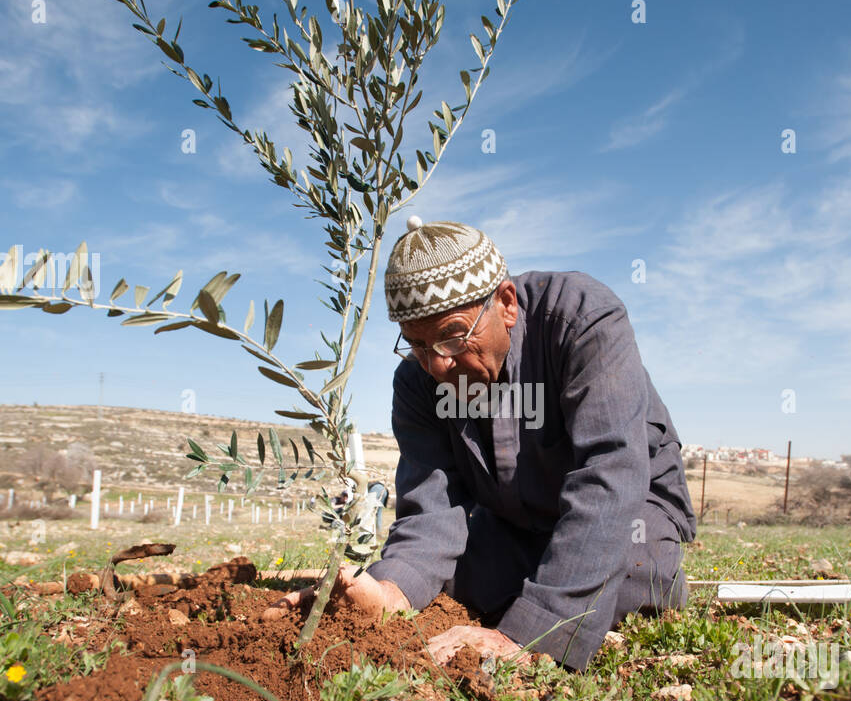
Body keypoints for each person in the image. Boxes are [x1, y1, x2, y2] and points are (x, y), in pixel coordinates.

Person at [273, 218, 696, 671]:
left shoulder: (583, 320)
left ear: (506, 304)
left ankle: (580, 591)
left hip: (632, 509)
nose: (436, 365)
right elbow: (433, 513)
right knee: (451, 579)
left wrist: (527, 635)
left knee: (636, 568)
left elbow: (610, 469)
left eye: (452, 335)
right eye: (416, 344)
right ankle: (550, 581)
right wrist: (387, 591)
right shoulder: (418, 383)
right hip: (516, 525)